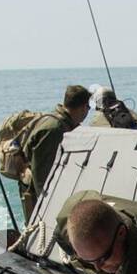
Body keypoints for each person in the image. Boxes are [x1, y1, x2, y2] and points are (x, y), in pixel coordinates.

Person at [19, 85, 91, 220]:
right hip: (36, 194)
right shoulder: (54, 129)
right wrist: (48, 204)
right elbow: (41, 172)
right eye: (88, 107)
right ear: (83, 107)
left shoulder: (61, 122)